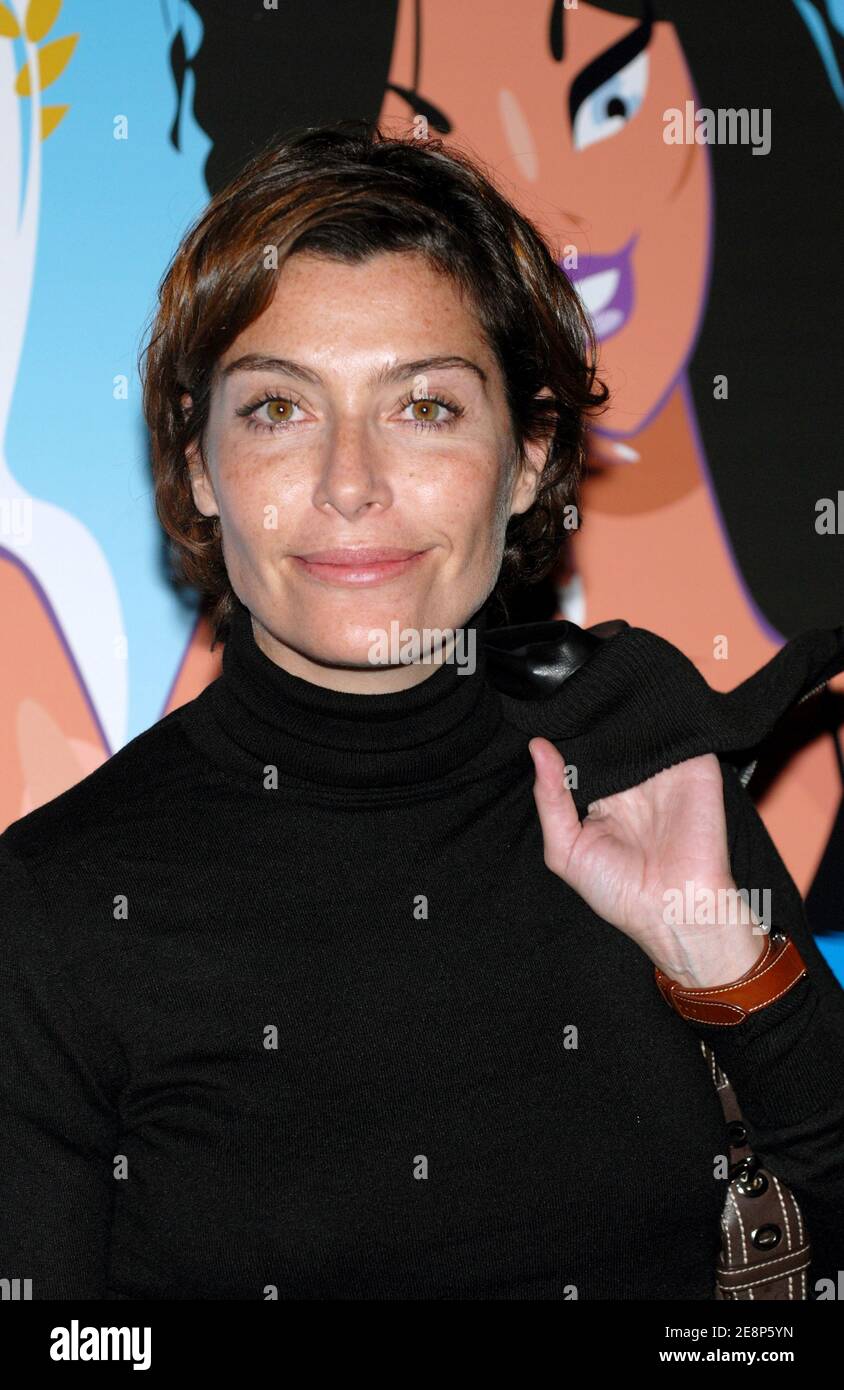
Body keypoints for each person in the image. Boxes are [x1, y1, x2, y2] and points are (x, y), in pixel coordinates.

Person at [1, 121, 842, 1301]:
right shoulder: (54, 906)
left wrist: (725, 963)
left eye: (427, 408)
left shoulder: (642, 764)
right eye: (278, 409)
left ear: (531, 456)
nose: (351, 482)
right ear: (198, 464)